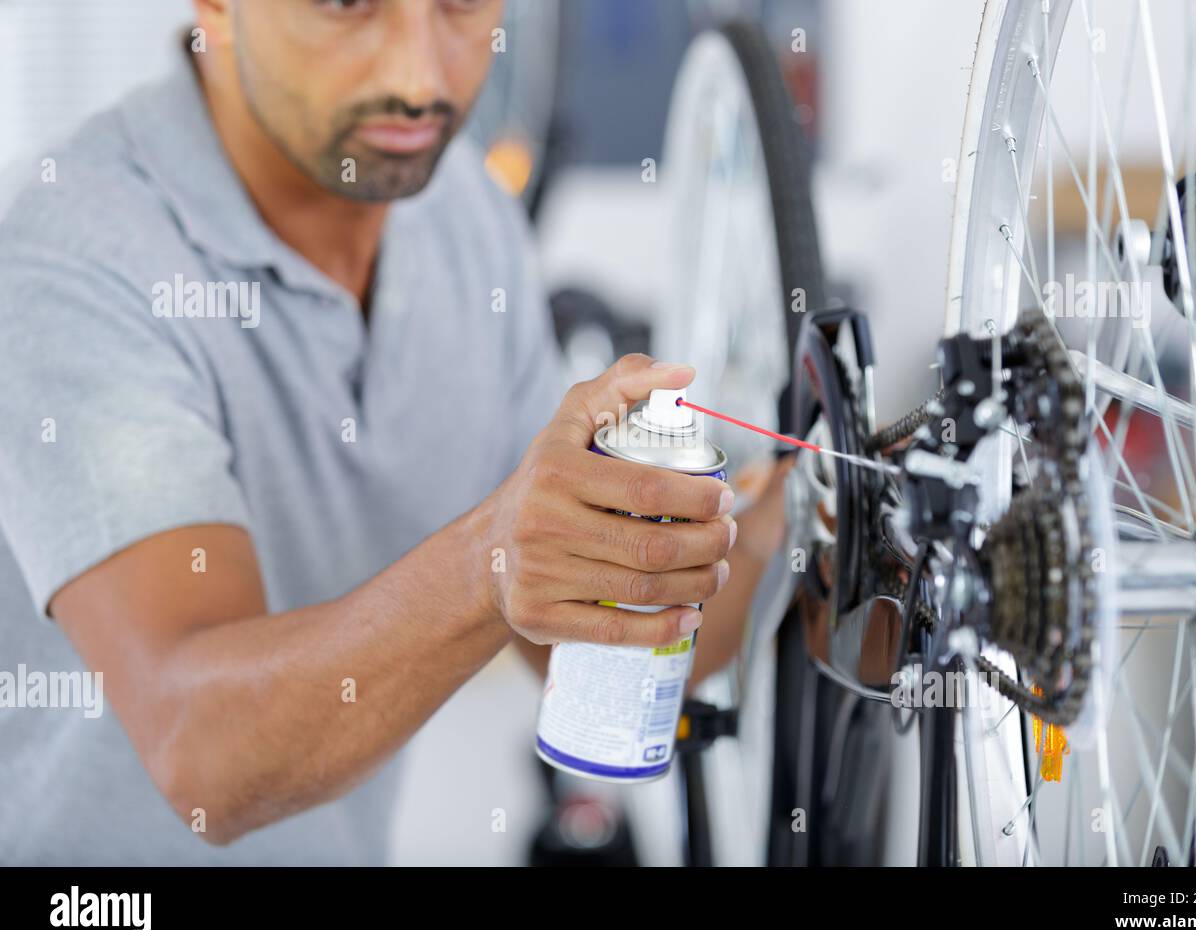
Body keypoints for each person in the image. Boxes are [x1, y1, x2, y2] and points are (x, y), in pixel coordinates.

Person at [0, 0, 788, 864]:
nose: (420, 79)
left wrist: (781, 538)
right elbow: (202, 756)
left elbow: (567, 635)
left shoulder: (466, 220)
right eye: (347, 5)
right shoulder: (70, 256)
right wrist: (493, 559)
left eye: (459, 4)